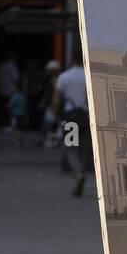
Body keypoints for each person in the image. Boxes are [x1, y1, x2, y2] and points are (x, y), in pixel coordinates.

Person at [52, 43, 91, 196]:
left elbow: (55, 102)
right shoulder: (89, 76)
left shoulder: (64, 77)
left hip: (71, 119)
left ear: (72, 58)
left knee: (72, 149)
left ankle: (78, 174)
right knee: (84, 149)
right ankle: (78, 180)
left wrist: (57, 119)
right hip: (87, 119)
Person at [7, 81, 27, 146]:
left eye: (13, 87)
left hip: (16, 115)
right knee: (20, 128)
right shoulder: (23, 95)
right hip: (22, 114)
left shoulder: (15, 96)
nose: (12, 88)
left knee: (16, 128)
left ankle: (17, 141)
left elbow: (10, 104)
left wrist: (7, 106)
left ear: (16, 87)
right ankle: (20, 139)